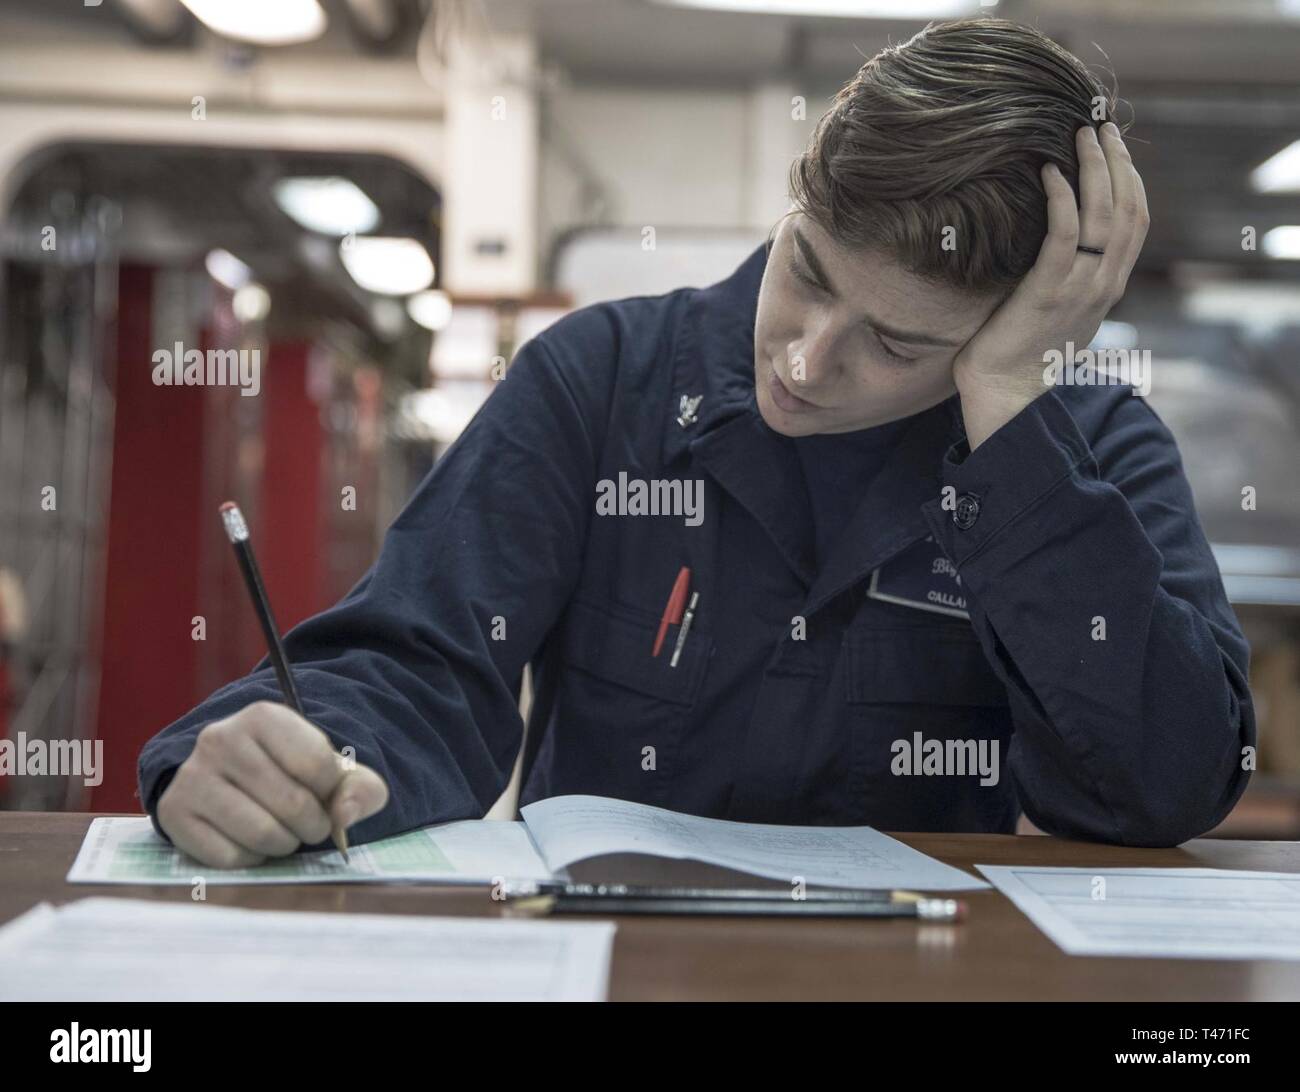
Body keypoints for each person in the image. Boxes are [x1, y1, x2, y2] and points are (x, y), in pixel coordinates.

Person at [138, 18, 1254, 868]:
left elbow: (1156, 791)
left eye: (897, 343)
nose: (807, 362)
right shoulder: (601, 380)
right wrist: (292, 759)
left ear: (1015, 325)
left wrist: (1010, 419)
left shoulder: (1087, 450)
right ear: (792, 202)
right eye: (806, 272)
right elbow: (423, 661)